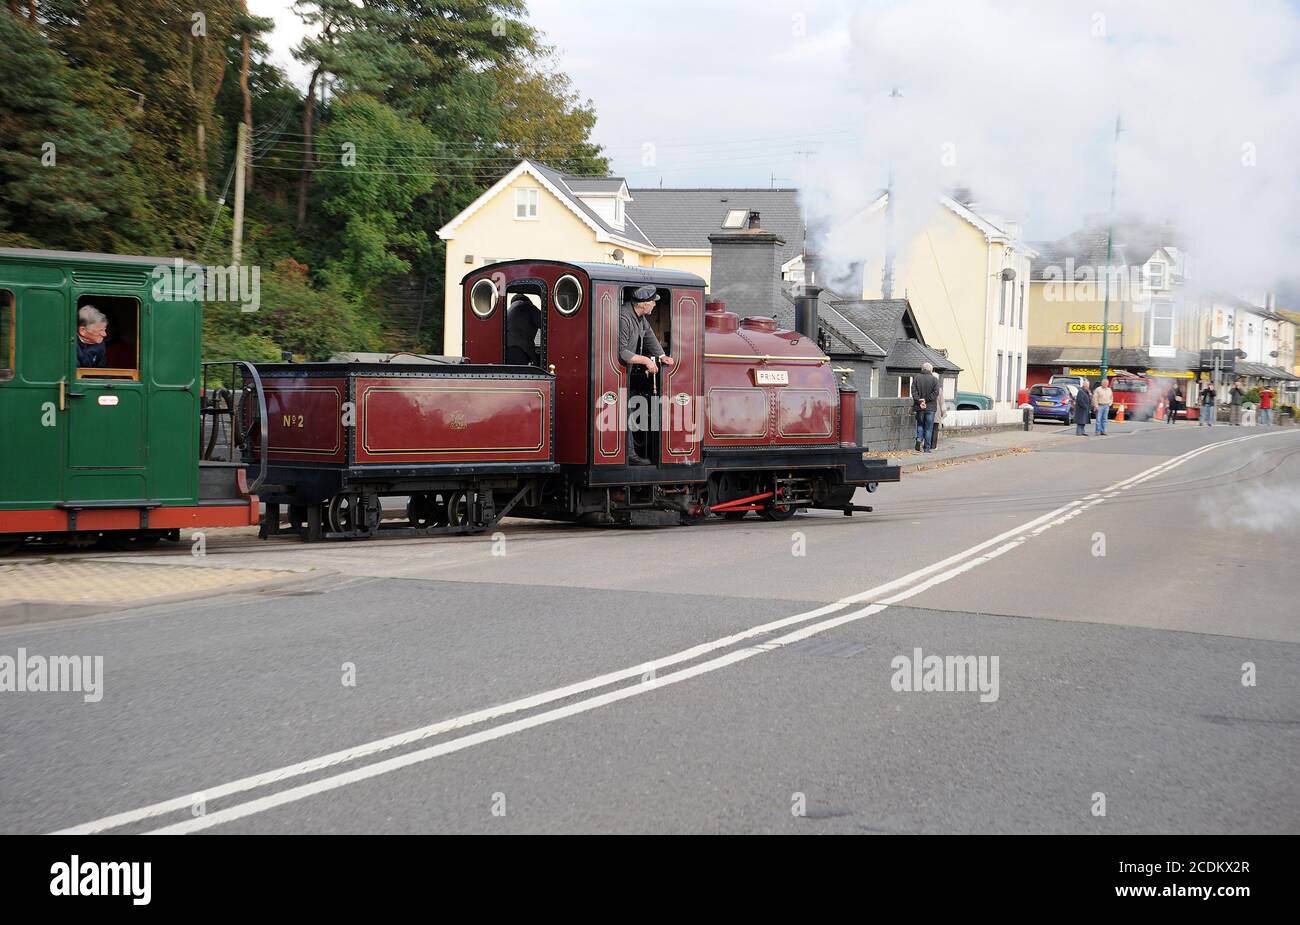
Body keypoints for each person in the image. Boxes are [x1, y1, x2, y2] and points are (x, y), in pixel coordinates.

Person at [618, 285, 674, 465]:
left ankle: (635, 449)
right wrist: (647, 361)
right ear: (643, 304)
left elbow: (649, 335)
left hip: (627, 375)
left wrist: (662, 356)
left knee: (635, 404)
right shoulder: (623, 317)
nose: (655, 306)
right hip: (616, 375)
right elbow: (622, 352)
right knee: (624, 411)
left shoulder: (639, 317)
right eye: (653, 303)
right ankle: (629, 455)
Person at [909, 361, 941, 453]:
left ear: (922, 369)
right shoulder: (935, 380)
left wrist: (920, 400)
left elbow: (913, 392)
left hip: (919, 407)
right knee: (928, 428)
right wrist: (926, 400)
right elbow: (936, 393)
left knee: (920, 425)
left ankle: (919, 438)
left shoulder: (916, 378)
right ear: (931, 370)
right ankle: (926, 448)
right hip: (930, 407)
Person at [505, 294, 541, 366]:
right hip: (522, 350)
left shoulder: (507, 311)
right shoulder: (529, 307)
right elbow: (545, 323)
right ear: (528, 301)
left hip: (506, 350)